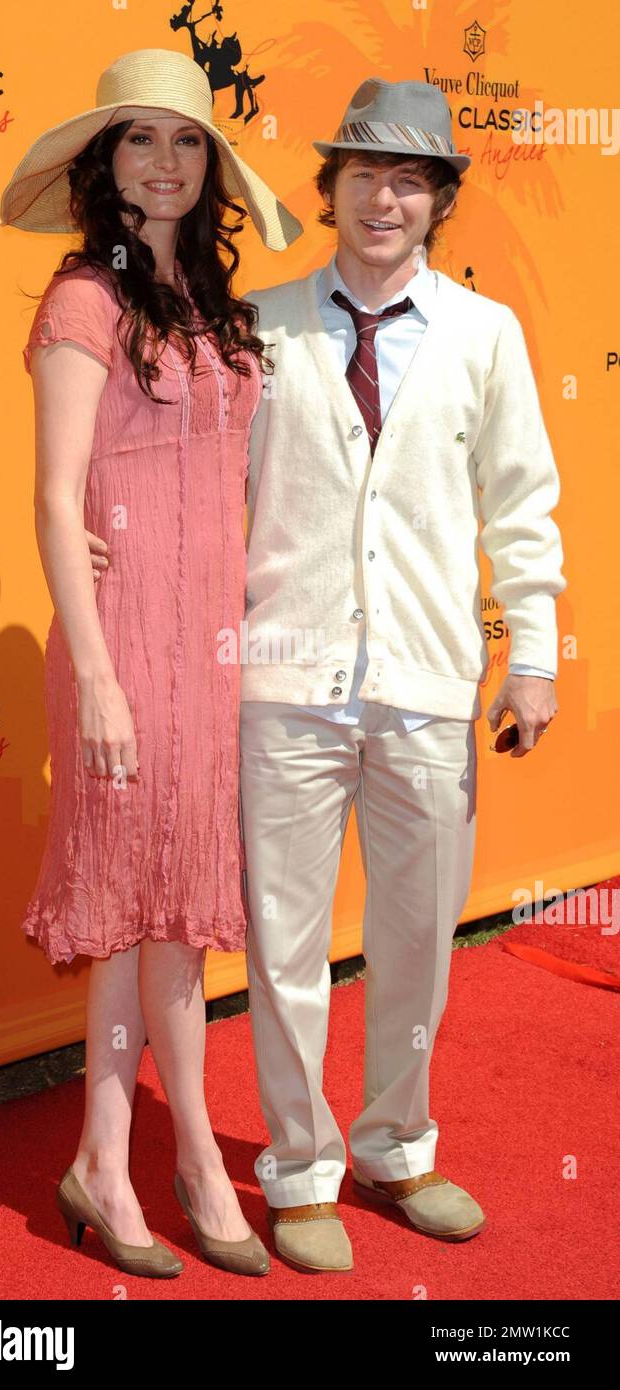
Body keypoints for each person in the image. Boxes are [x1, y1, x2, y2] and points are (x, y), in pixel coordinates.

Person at [235, 78, 566, 1272]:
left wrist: (532, 652)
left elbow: (522, 504)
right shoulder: (257, 326)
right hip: (280, 683)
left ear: (439, 202)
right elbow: (207, 497)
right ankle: (297, 1165)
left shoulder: (486, 335)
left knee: (419, 937)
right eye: (366, 173)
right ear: (328, 189)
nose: (387, 196)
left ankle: (397, 1145)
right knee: (283, 942)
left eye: (412, 178)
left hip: (427, 681)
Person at [0, 46, 301, 1279]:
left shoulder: (217, 315)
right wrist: (106, 676)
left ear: (210, 169)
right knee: (134, 910)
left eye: (186, 143)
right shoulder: (85, 301)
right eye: (139, 141)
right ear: (102, 164)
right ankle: (149, 1164)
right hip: (124, 656)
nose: (165, 163)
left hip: (210, 650)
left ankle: (122, 1159)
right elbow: (52, 500)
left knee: (167, 914)